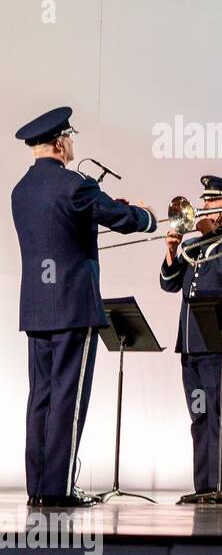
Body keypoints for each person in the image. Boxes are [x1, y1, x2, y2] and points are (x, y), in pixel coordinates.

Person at [11, 107, 155, 508]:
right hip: (73, 305)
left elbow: (58, 231)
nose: (73, 142)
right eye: (71, 136)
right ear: (60, 142)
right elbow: (123, 219)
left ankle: (38, 488)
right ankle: (58, 489)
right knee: (68, 399)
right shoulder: (75, 185)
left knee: (40, 397)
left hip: (37, 309)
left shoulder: (20, 190)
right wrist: (148, 217)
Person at [159, 176, 222, 501]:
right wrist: (172, 252)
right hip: (191, 344)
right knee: (199, 417)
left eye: (212, 201)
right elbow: (169, 285)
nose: (205, 206)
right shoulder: (192, 246)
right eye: (205, 199)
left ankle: (221, 487)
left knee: (218, 414)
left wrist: (212, 235)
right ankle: (203, 487)